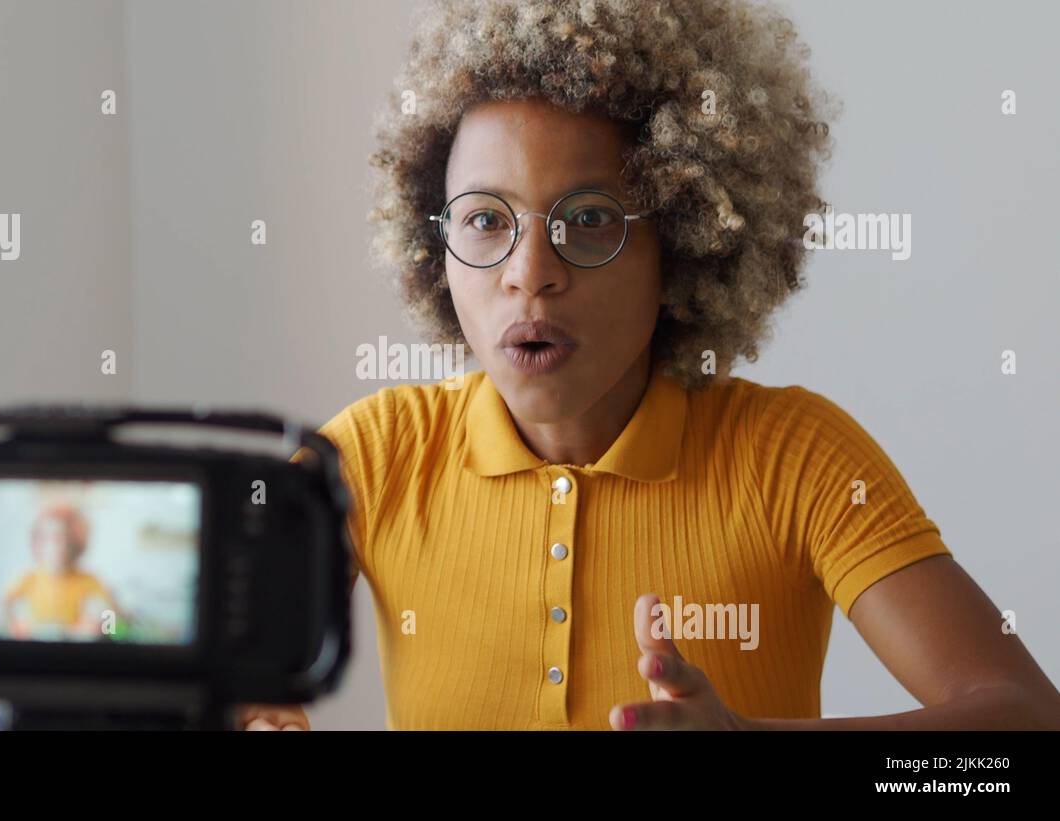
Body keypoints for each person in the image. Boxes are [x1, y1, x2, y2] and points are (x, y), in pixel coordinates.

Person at [239, 0, 1060, 730]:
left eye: (589, 218)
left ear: (682, 241)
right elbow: (224, 672)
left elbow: (1023, 724)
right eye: (485, 220)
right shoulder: (374, 458)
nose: (529, 272)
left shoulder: (796, 458)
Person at [0, 504, 121, 640]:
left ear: (77, 542)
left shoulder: (89, 580)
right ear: (36, 542)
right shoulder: (27, 577)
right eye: (47, 538)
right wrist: (14, 627)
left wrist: (101, 629)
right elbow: (1, 608)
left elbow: (112, 617)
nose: (55, 546)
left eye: (64, 538)